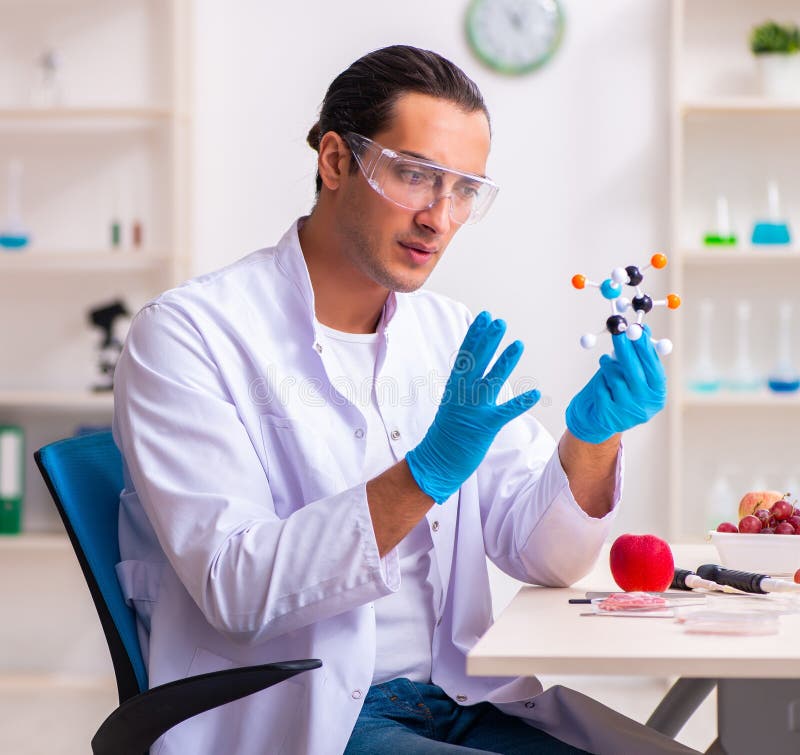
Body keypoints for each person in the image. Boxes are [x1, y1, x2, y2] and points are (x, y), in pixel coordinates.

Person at [112, 45, 694, 755]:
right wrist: (424, 473)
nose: (439, 216)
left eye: (464, 189)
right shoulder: (189, 335)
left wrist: (592, 442)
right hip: (311, 718)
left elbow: (542, 555)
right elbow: (239, 587)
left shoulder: (450, 334)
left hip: (459, 696)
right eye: (415, 175)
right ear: (335, 161)